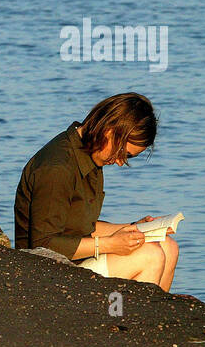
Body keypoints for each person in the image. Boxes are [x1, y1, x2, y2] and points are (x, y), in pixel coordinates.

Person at [14, 93, 178, 291]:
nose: (120, 162)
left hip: (73, 262)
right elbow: (44, 245)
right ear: (109, 131)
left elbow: (81, 226)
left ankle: (151, 316)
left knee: (168, 246)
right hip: (44, 275)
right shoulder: (57, 168)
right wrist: (108, 245)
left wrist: (134, 229)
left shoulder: (91, 156)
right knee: (150, 255)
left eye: (129, 157)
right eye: (123, 153)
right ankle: (136, 321)